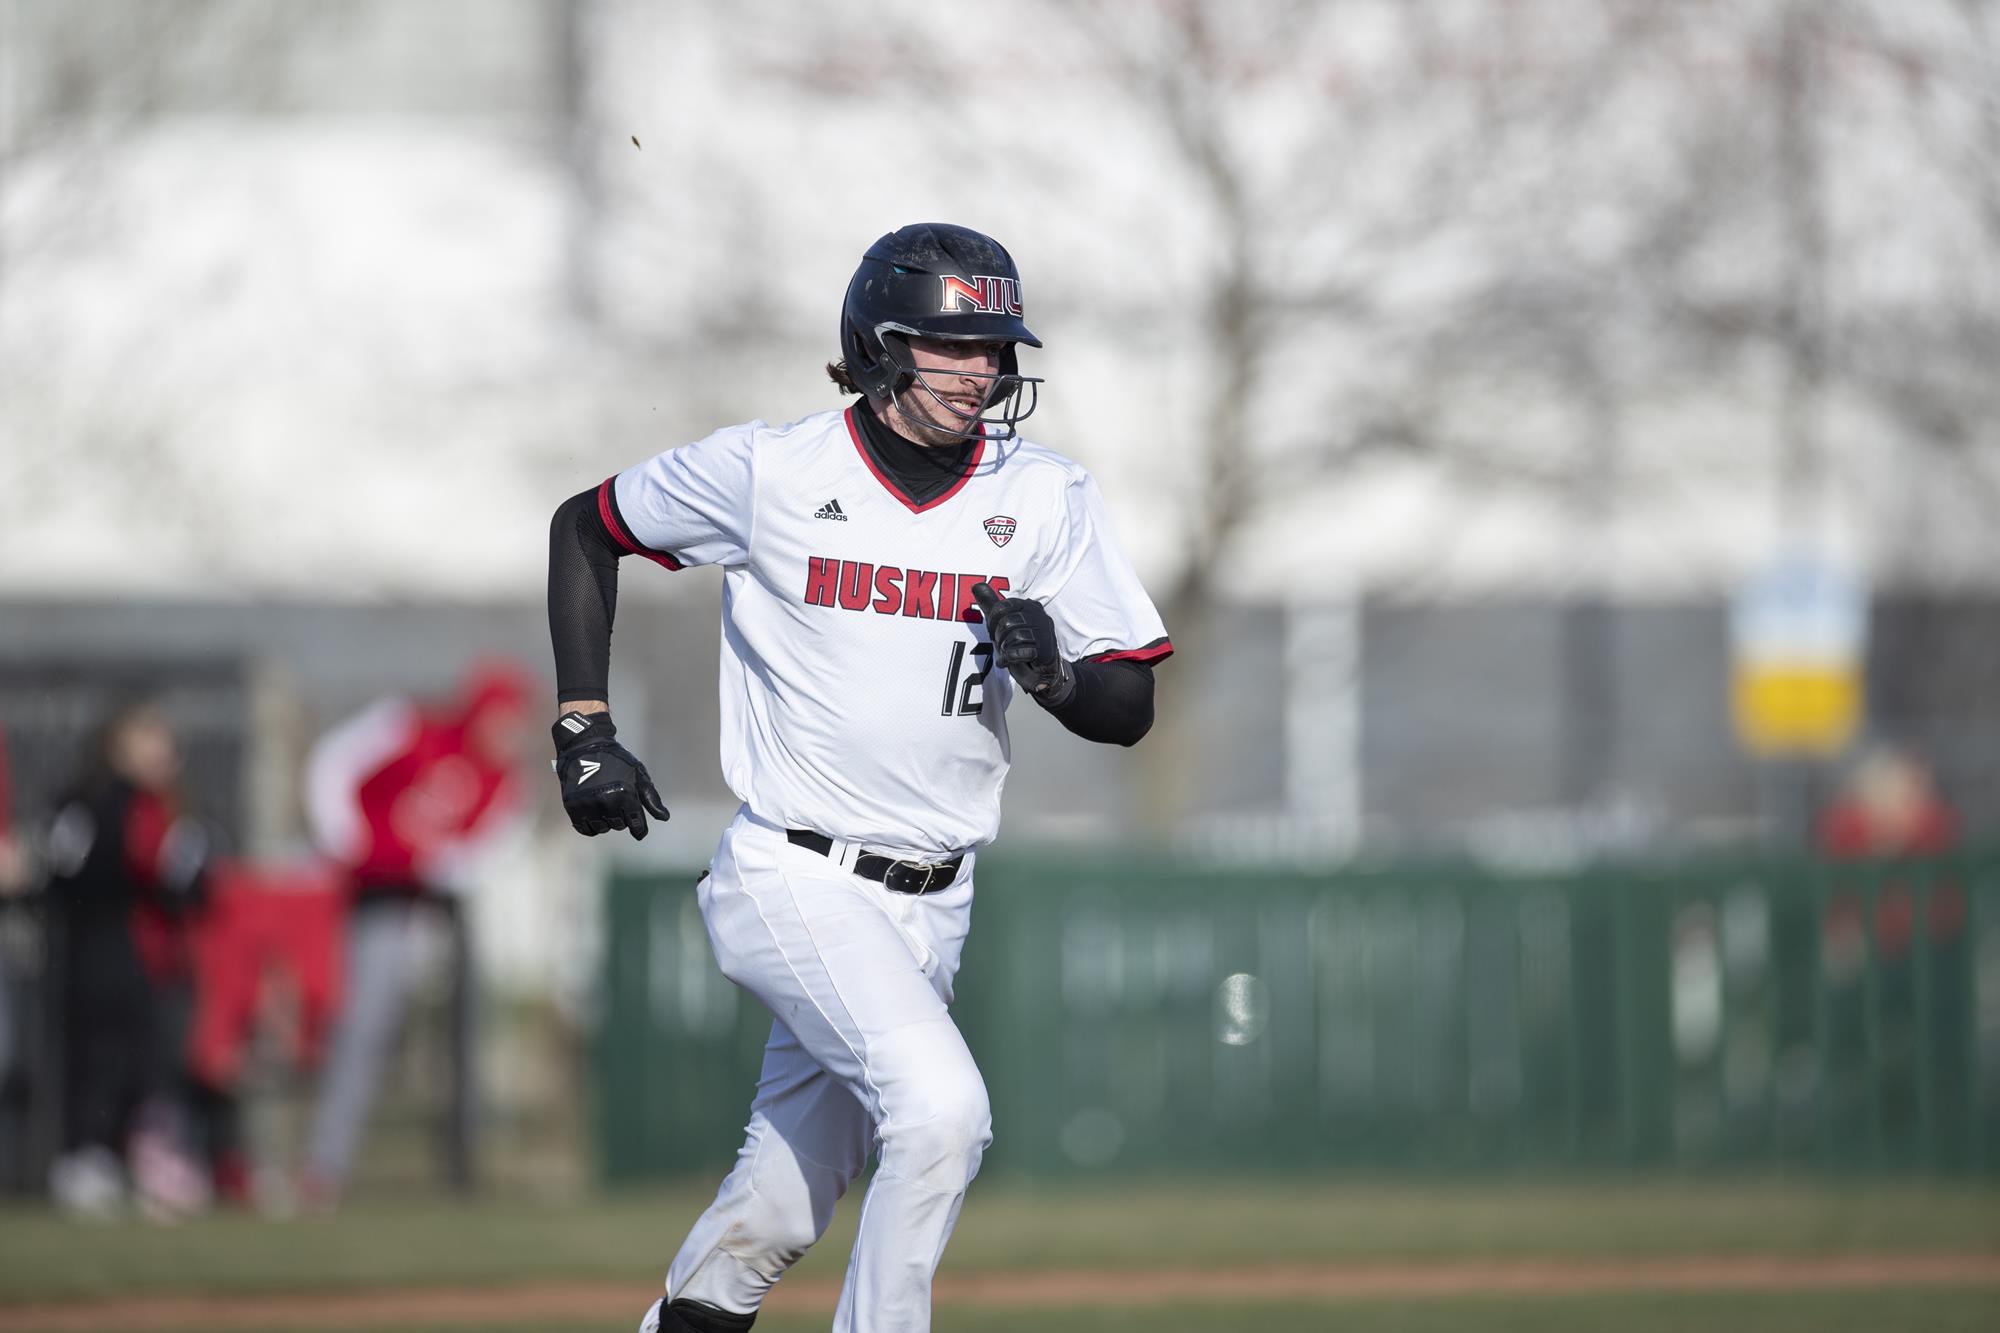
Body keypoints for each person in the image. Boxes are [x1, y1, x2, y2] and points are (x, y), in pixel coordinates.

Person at [547, 223, 1172, 1333]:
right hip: (794, 872)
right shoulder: (770, 469)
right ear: (876, 344)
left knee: (776, 1212)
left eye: (994, 347)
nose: (981, 369)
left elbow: (1127, 710)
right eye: (952, 343)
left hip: (935, 901)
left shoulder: (1044, 494)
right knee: (940, 1115)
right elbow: (586, 528)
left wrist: (1059, 676)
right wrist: (584, 721)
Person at [299, 660, 534, 1205]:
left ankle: (323, 1171)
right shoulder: (411, 726)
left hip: (403, 907)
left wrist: (415, 863)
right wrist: (351, 842)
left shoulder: (505, 783)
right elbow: (331, 768)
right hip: (340, 885)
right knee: (309, 1022)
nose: (509, 733)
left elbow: (480, 856)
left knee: (366, 1033)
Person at [42, 700, 214, 1217]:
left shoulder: (174, 809)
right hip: (98, 949)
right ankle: (86, 1160)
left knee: (152, 1060)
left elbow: (195, 886)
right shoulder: (91, 804)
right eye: (146, 739)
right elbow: (68, 875)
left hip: (156, 957)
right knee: (98, 1057)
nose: (160, 752)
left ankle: (149, 1159)